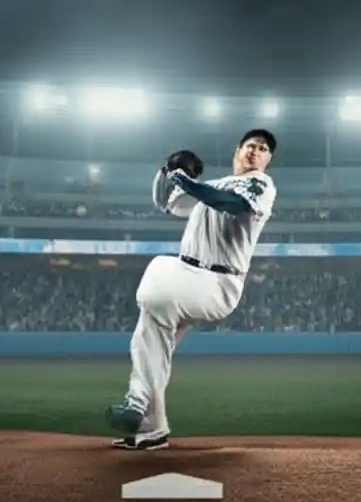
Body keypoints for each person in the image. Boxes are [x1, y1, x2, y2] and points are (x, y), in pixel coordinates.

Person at [104, 129, 278, 450]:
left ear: (268, 159)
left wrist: (183, 178)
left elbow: (228, 202)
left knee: (159, 269)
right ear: (237, 150)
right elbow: (163, 202)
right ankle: (149, 425)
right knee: (150, 342)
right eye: (251, 145)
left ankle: (137, 403)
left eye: (263, 149)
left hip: (217, 283)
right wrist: (167, 169)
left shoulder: (261, 185)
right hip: (188, 278)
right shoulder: (209, 186)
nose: (256, 151)